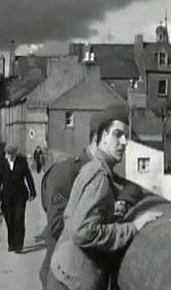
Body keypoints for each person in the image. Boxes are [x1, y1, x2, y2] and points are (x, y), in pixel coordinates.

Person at [46, 106, 160, 290]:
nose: (124, 142)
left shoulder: (90, 168)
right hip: (72, 284)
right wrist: (133, 227)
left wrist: (109, 213)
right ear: (104, 136)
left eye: (126, 136)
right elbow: (83, 232)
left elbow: (71, 216)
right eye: (118, 135)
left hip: (61, 276)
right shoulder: (99, 176)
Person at [0, 144, 36, 253]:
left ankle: (19, 245)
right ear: (5, 154)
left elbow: (28, 176)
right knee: (9, 221)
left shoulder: (22, 161)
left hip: (20, 196)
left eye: (12, 154)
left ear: (16, 153)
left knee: (19, 220)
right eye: (8, 154)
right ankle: (11, 243)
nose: (10, 156)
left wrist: (32, 191)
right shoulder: (1, 163)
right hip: (6, 197)